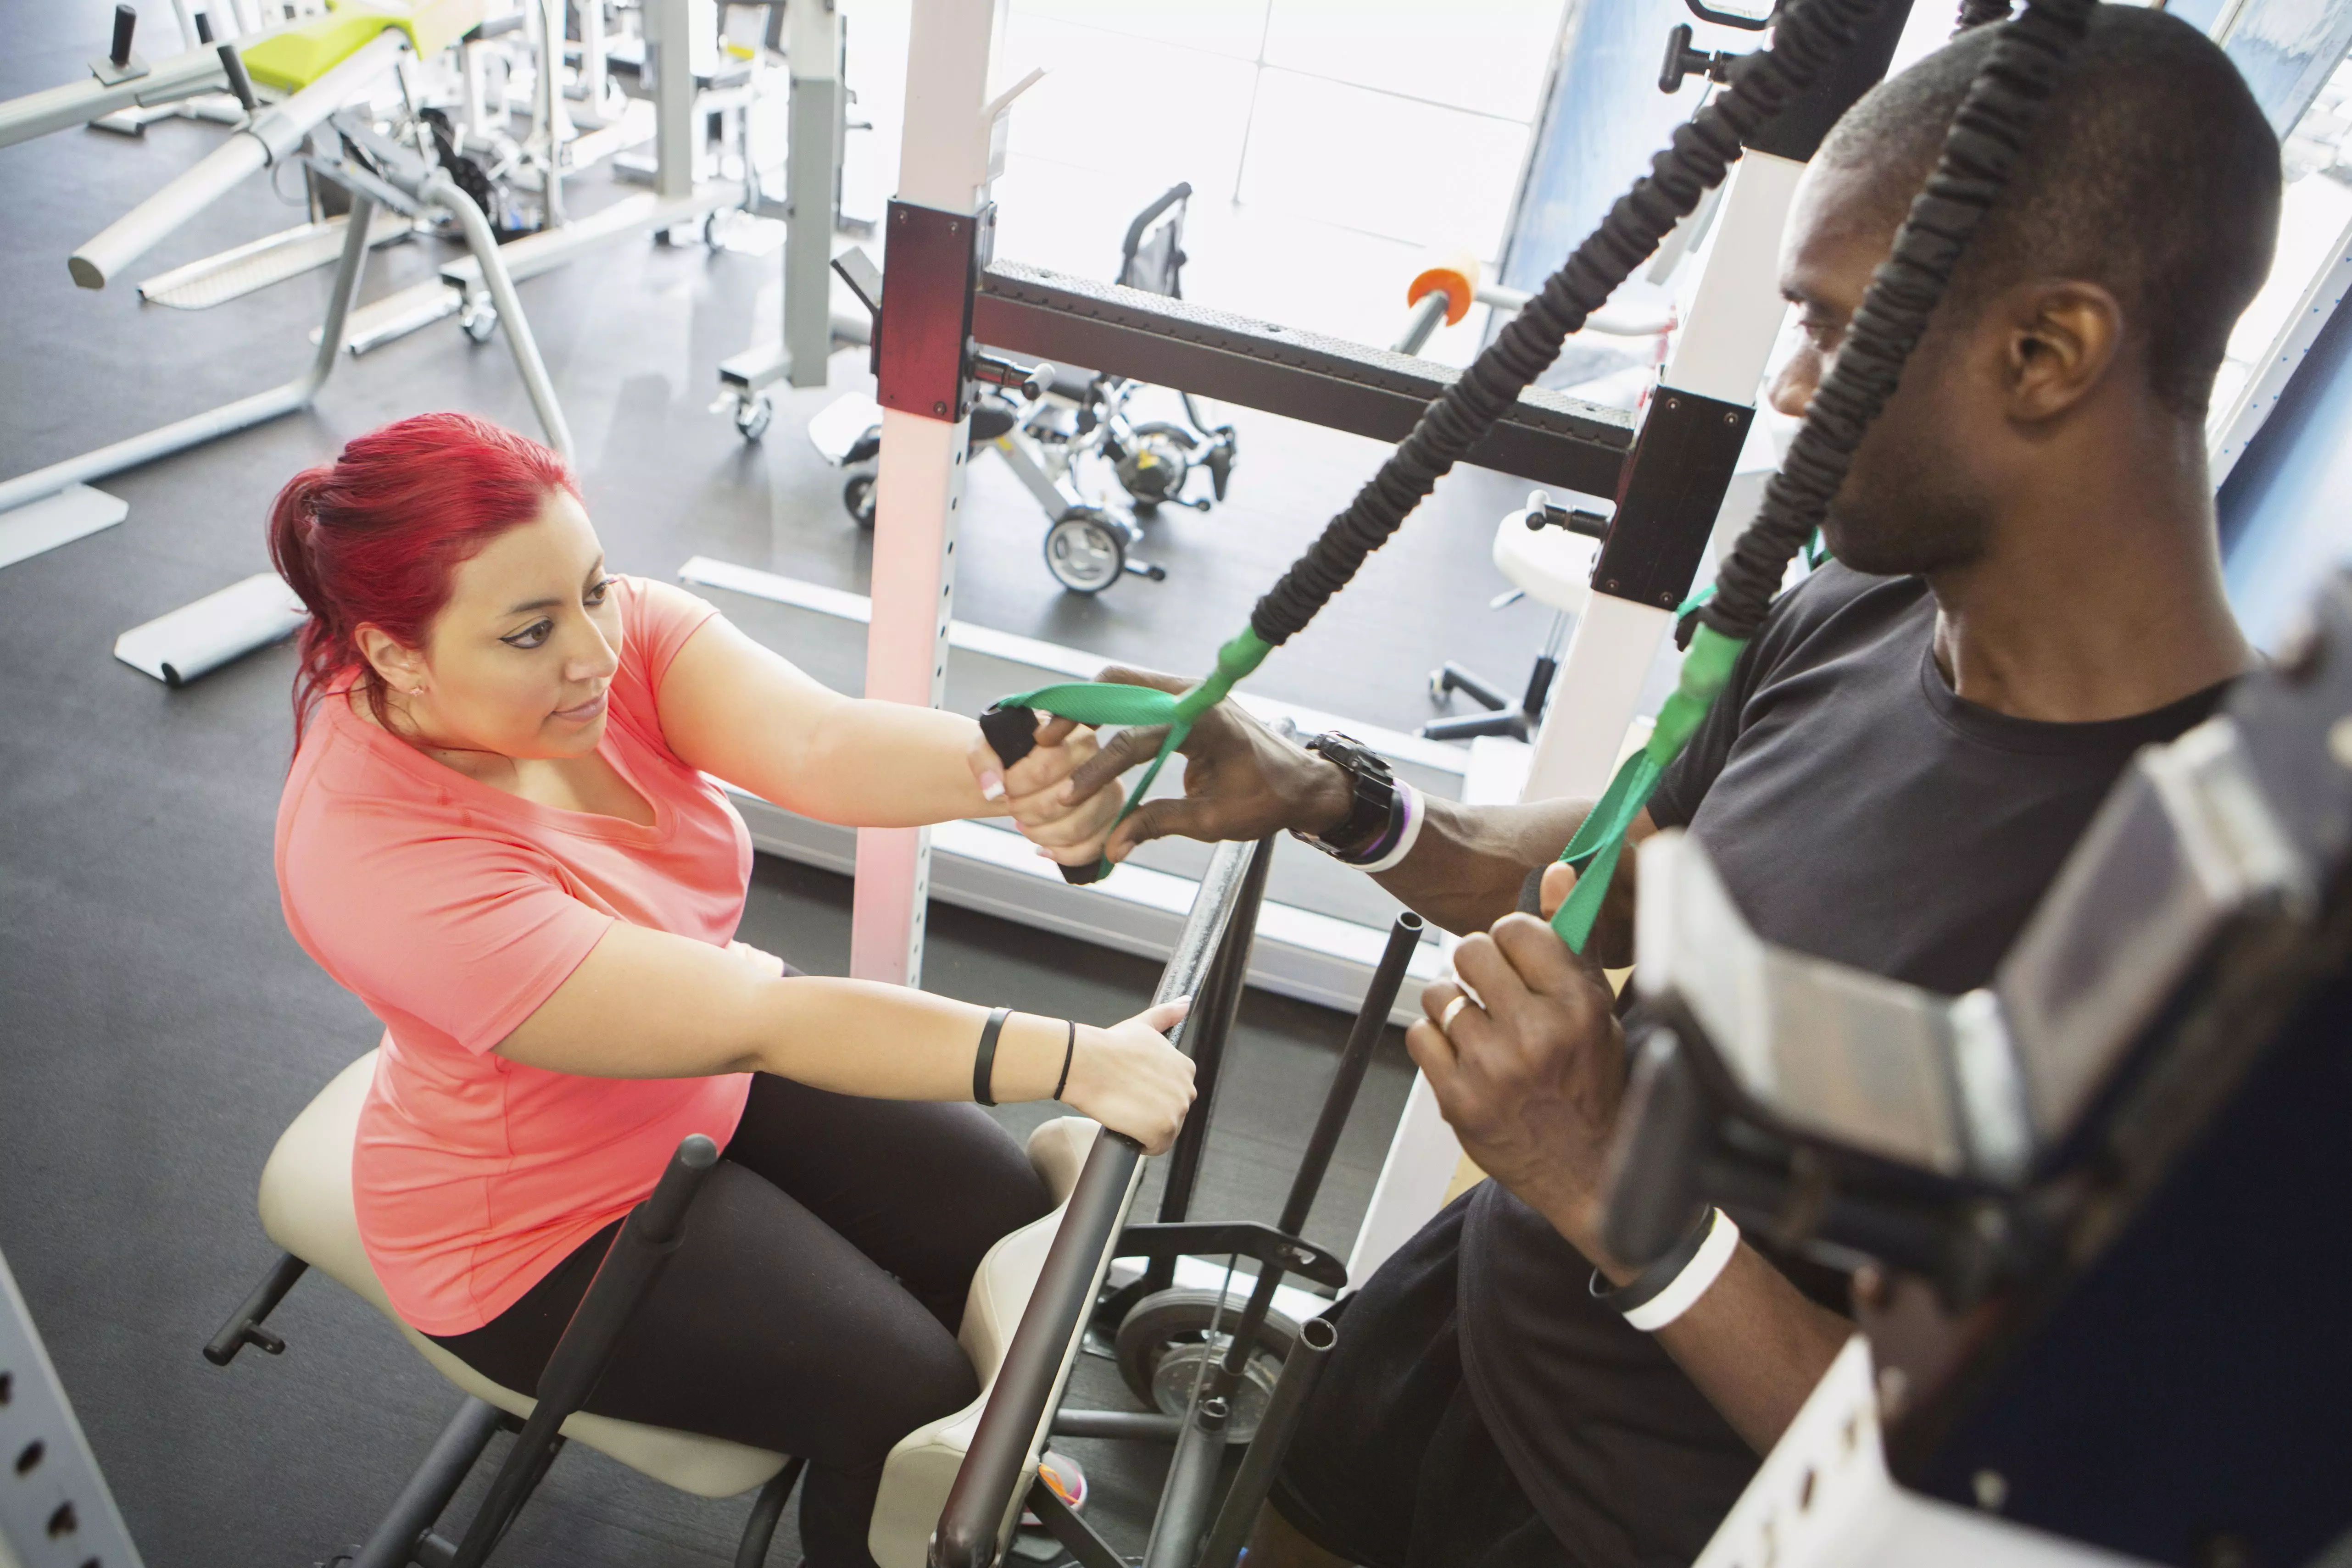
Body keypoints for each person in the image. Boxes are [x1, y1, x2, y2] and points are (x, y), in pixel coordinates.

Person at [1057, 11, 2279, 1566]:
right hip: (1459, 1333)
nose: (1787, 388)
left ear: (2044, 354)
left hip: (1639, 1518)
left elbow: (2029, 1497)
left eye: (1832, 332)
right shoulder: (1867, 609)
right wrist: (1330, 795)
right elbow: (1638, 873)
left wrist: (1610, 1186)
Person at [267, 411, 1192, 1568]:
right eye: (530, 630)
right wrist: (1072, 1056)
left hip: (702, 1074)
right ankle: (916, 1490)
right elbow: (771, 1020)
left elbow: (815, 743)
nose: (595, 650)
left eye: (595, 589)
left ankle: (969, 1461)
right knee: (903, 1393)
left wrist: (1009, 771)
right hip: (537, 1222)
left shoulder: (601, 643)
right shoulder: (374, 859)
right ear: (395, 653)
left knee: (1004, 1217)